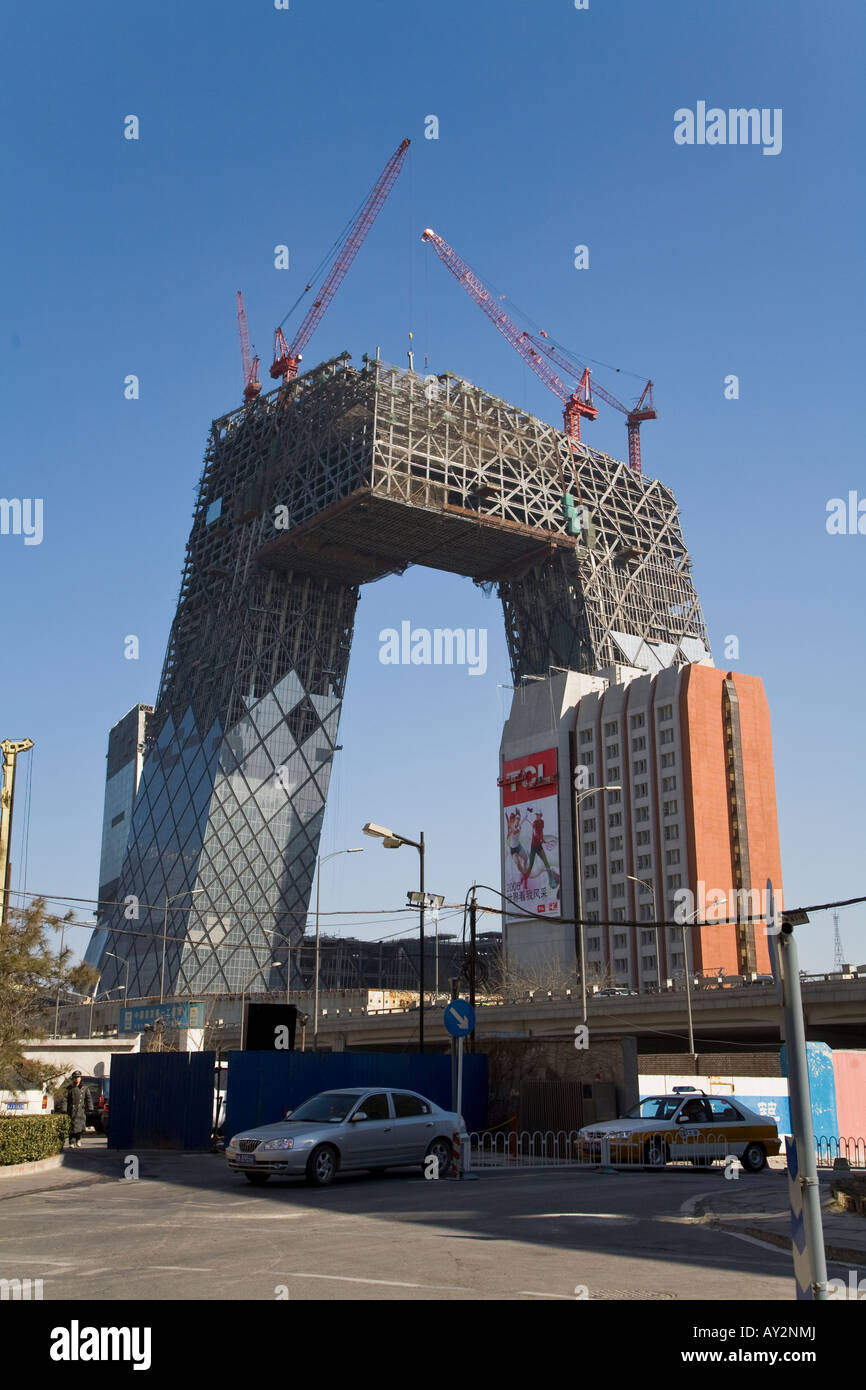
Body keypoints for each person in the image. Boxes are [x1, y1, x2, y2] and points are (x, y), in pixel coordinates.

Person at [65, 1071, 92, 1148]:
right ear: (73, 1078)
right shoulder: (69, 1088)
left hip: (81, 1110)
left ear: (80, 1078)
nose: (77, 1079)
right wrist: (64, 1109)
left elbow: (88, 1098)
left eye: (78, 1077)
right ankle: (71, 1142)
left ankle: (78, 1139)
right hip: (72, 1110)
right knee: (72, 1127)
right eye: (75, 1077)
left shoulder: (85, 1088)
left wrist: (90, 1107)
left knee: (80, 1126)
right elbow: (65, 1099)